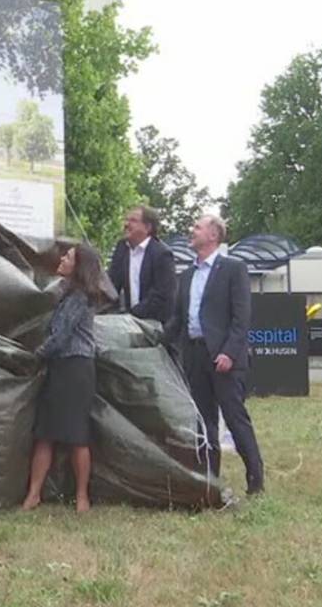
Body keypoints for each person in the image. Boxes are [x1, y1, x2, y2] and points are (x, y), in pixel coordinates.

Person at [165, 214, 265, 495]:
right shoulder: (186, 276)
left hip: (224, 358)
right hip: (195, 356)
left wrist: (230, 353)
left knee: (234, 417)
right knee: (203, 419)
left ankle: (255, 478)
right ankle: (210, 479)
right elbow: (177, 319)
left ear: (213, 235)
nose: (191, 231)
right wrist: (155, 339)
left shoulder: (233, 268)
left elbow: (241, 317)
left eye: (197, 227)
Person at [21, 242, 107, 513]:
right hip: (62, 367)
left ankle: (82, 497)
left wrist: (35, 355)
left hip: (75, 369)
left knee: (76, 435)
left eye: (68, 257)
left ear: (78, 266)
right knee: (45, 432)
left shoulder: (79, 297)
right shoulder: (67, 294)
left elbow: (60, 338)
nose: (62, 258)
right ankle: (33, 494)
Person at [106, 205, 177, 325]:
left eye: (133, 220)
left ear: (147, 227)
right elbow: (112, 285)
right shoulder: (122, 248)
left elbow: (161, 296)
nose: (126, 224)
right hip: (130, 322)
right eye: (126, 219)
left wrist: (131, 315)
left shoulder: (162, 254)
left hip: (155, 323)